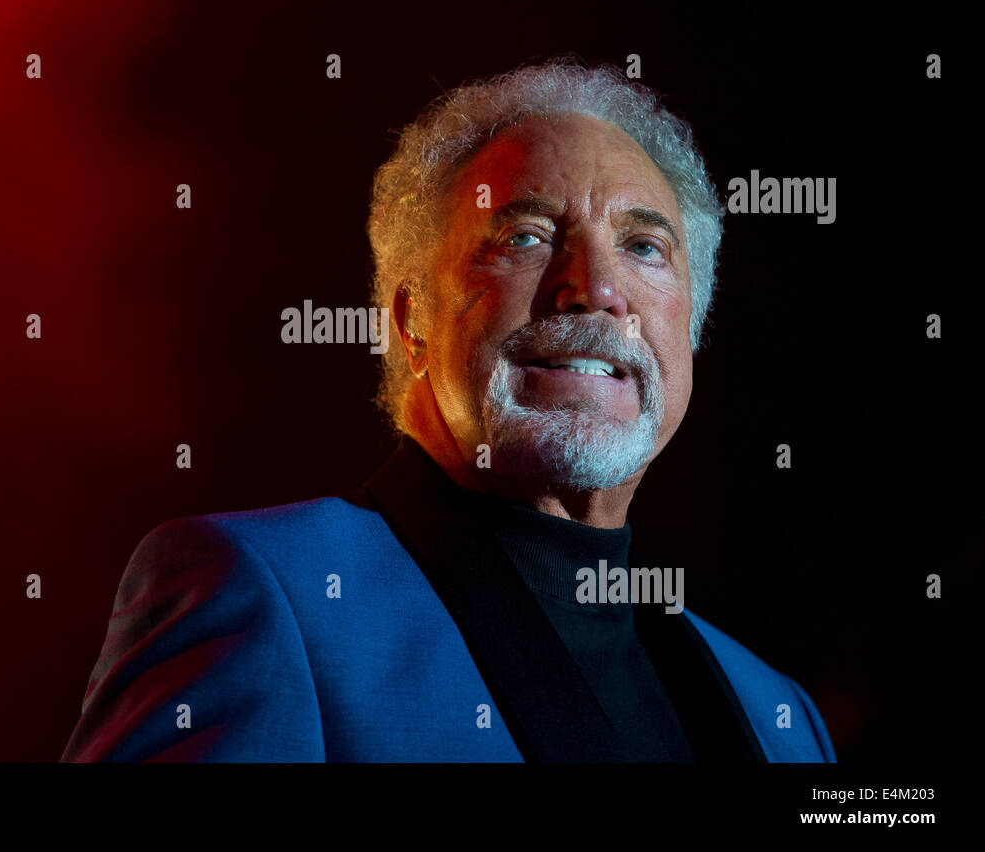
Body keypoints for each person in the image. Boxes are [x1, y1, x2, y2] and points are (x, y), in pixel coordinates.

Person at [60, 58, 836, 762]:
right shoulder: (265, 595)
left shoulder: (779, 717)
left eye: (643, 248)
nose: (595, 289)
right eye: (527, 237)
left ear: (690, 328)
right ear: (411, 320)